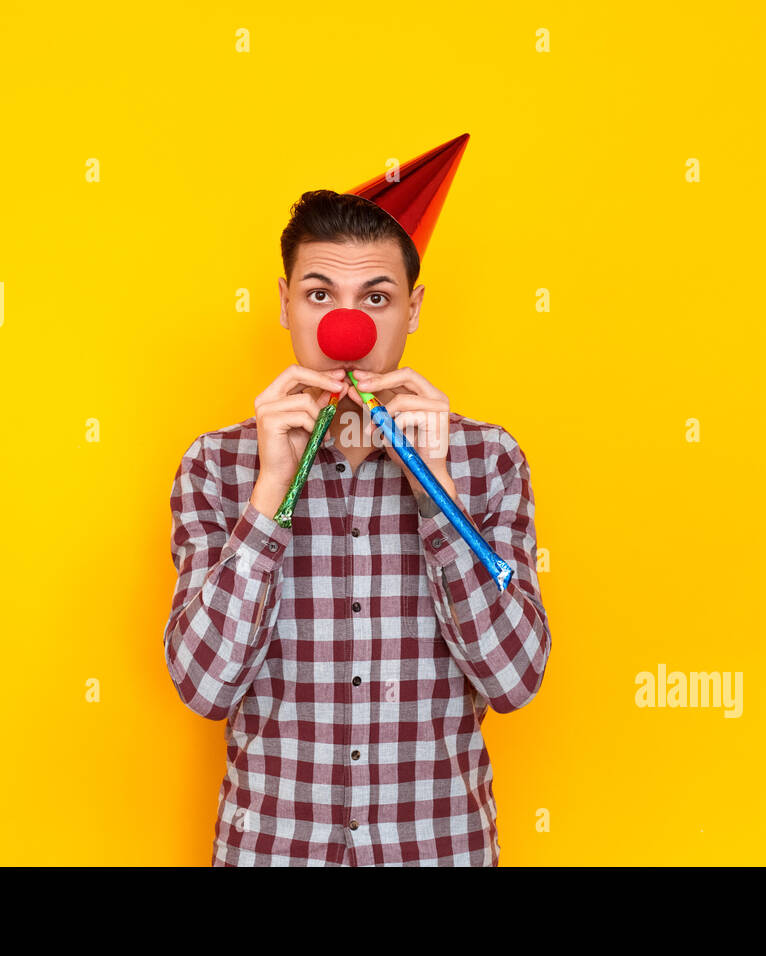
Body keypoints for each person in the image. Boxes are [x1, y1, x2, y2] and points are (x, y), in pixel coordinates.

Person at [163, 138, 552, 865]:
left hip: (437, 848)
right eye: (320, 296)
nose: (350, 329)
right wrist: (269, 494)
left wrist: (437, 492)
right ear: (284, 305)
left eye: (376, 298)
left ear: (414, 310)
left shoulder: (489, 460)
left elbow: (515, 680)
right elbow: (205, 687)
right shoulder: (215, 466)